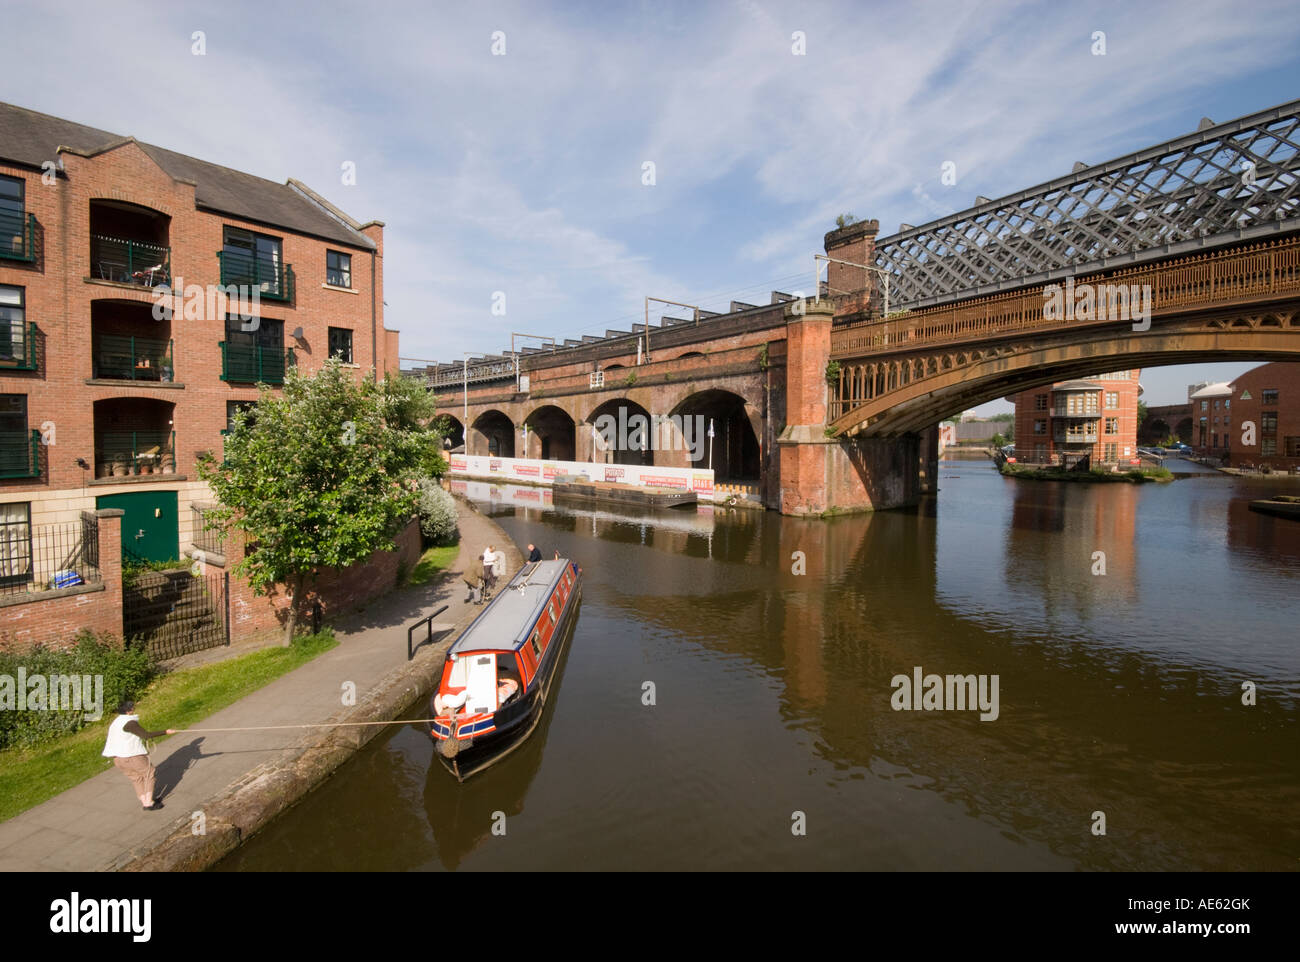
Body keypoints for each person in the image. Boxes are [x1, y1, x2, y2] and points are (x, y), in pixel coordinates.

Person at [102, 701, 175, 811]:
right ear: (128, 711)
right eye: (131, 707)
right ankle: (149, 803)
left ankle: (145, 802)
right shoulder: (130, 722)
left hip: (118, 759)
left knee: (136, 779)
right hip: (132, 756)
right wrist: (166, 732)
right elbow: (145, 735)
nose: (133, 708)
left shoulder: (116, 722)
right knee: (149, 774)